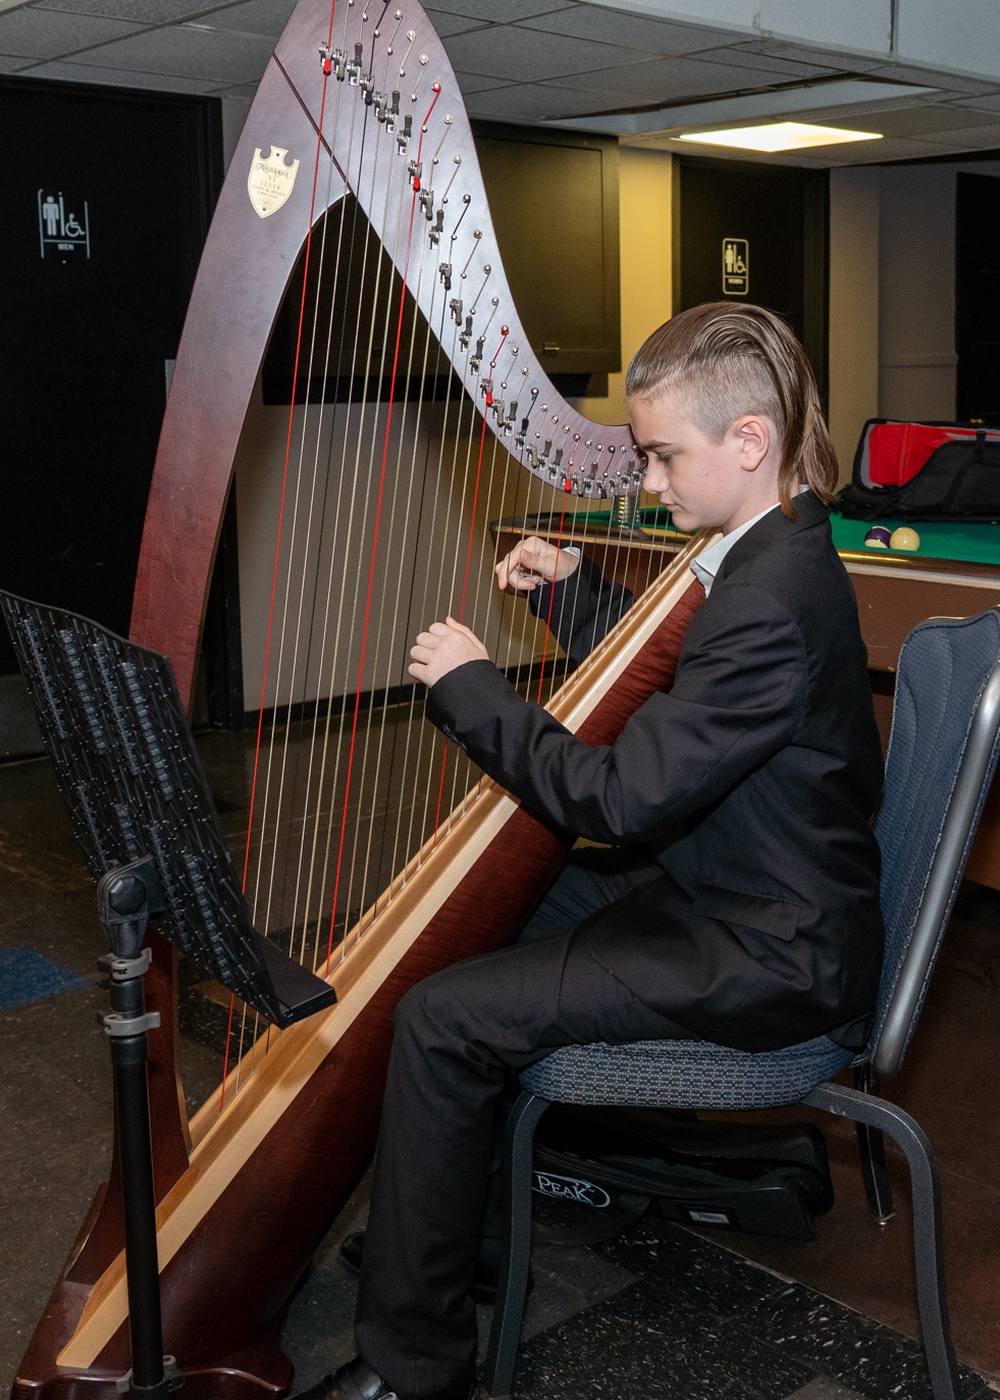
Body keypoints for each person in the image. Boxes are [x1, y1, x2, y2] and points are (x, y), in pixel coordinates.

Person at [297, 303, 885, 1400]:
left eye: (664, 454)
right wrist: (574, 590)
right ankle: (442, 1232)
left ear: (748, 441)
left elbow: (615, 795)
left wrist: (472, 687)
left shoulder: (771, 599)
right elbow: (684, 697)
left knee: (440, 1012)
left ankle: (414, 1363)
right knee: (482, 919)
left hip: (770, 943)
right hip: (728, 884)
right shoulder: (764, 549)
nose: (651, 481)